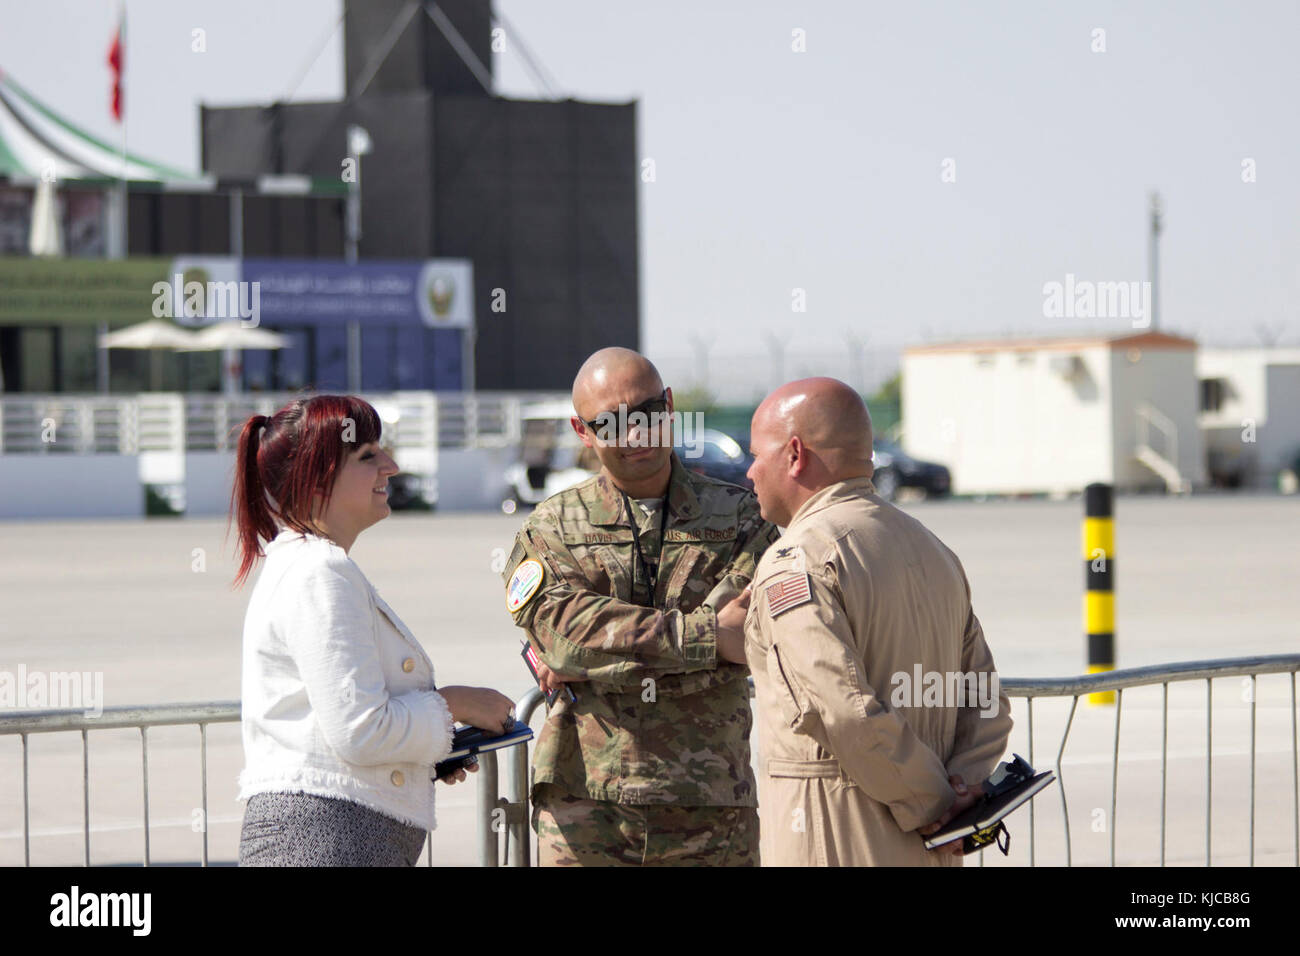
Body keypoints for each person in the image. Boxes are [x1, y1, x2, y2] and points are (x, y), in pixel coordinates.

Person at [502, 348, 780, 866]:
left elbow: (752, 630)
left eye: (646, 414)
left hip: (710, 807)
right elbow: (564, 639)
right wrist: (706, 639)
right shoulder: (555, 525)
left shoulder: (742, 516)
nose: (634, 437)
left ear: (669, 406)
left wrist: (602, 649)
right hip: (586, 810)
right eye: (609, 423)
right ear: (581, 430)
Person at [231, 394, 514, 866]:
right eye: (367, 456)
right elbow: (360, 732)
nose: (391, 465)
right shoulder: (319, 572)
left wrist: (428, 751)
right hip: (323, 841)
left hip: (334, 837)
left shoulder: (311, 566)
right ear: (316, 479)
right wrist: (457, 704)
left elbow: (333, 730)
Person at [740, 378, 1013, 866]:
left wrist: (933, 802)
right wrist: (963, 793)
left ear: (794, 455)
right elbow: (987, 700)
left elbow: (840, 711)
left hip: (836, 844)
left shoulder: (797, 559)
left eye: (757, 454)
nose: (749, 472)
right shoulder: (931, 548)